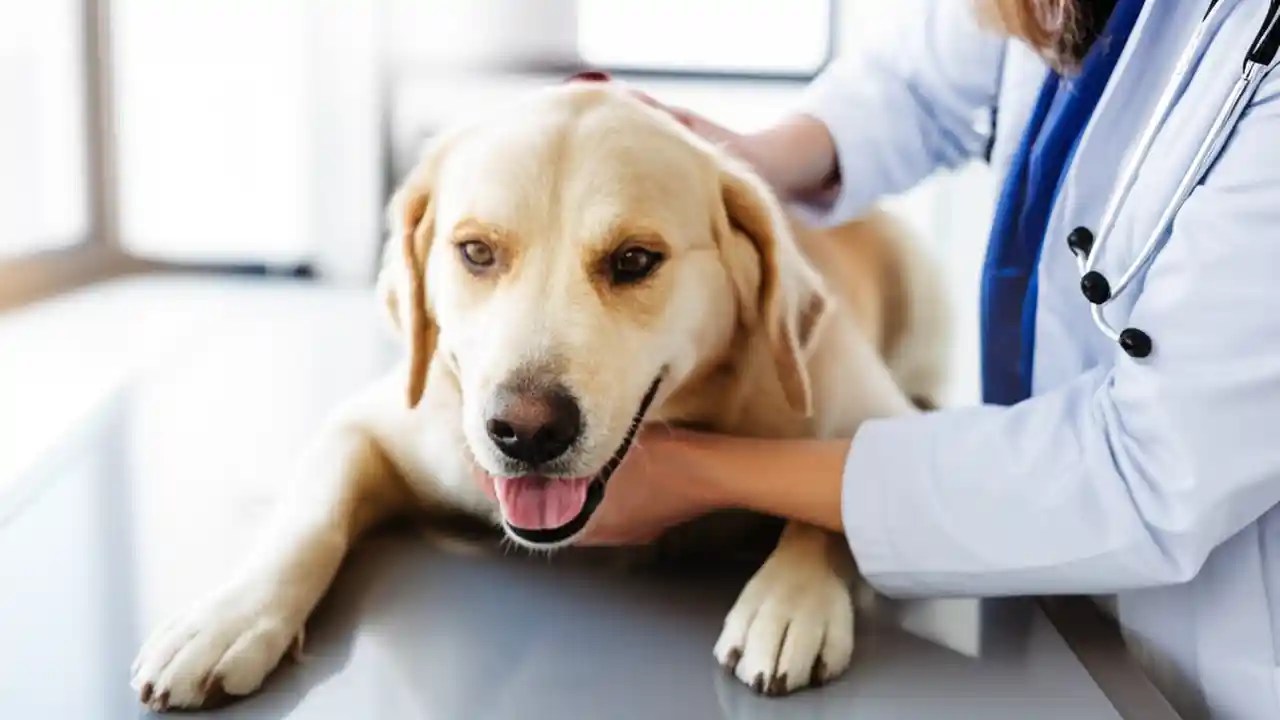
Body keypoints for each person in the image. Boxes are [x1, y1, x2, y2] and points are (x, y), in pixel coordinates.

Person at [574, 1, 1280, 717]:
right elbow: (927, 77)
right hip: (1058, 617)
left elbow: (1148, 470)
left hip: (1230, 663)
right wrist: (754, 159)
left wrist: (693, 470)